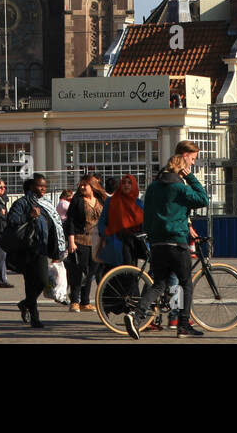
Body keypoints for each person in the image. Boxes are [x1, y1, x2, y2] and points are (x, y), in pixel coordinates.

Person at [123, 141, 209, 340]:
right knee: (186, 283)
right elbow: (203, 199)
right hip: (176, 242)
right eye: (192, 161)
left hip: (157, 242)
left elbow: (147, 213)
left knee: (159, 284)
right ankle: (183, 325)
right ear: (182, 166)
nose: (193, 164)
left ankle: (135, 317)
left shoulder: (153, 187)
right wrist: (191, 178)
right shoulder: (179, 188)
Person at [5, 173, 65, 328]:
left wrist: (57, 248)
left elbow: (54, 225)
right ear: (32, 186)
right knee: (31, 283)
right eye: (40, 185)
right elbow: (12, 220)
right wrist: (28, 216)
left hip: (41, 249)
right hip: (26, 248)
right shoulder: (23, 203)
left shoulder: (46, 204)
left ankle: (26, 304)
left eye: (45, 186)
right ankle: (35, 317)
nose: (43, 188)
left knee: (42, 281)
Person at [63, 175, 105, 311]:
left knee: (91, 272)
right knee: (78, 271)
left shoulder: (100, 200)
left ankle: (85, 302)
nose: (81, 187)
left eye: (84, 185)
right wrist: (71, 241)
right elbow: (70, 221)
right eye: (80, 185)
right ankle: (74, 301)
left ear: (92, 186)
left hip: (97, 241)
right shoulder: (77, 201)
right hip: (80, 239)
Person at [96, 174, 143, 272]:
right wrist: (107, 235)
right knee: (112, 277)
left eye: (130, 183)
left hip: (132, 245)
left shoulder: (138, 203)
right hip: (114, 242)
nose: (126, 185)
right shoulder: (111, 201)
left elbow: (144, 224)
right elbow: (102, 222)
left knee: (130, 276)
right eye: (124, 183)